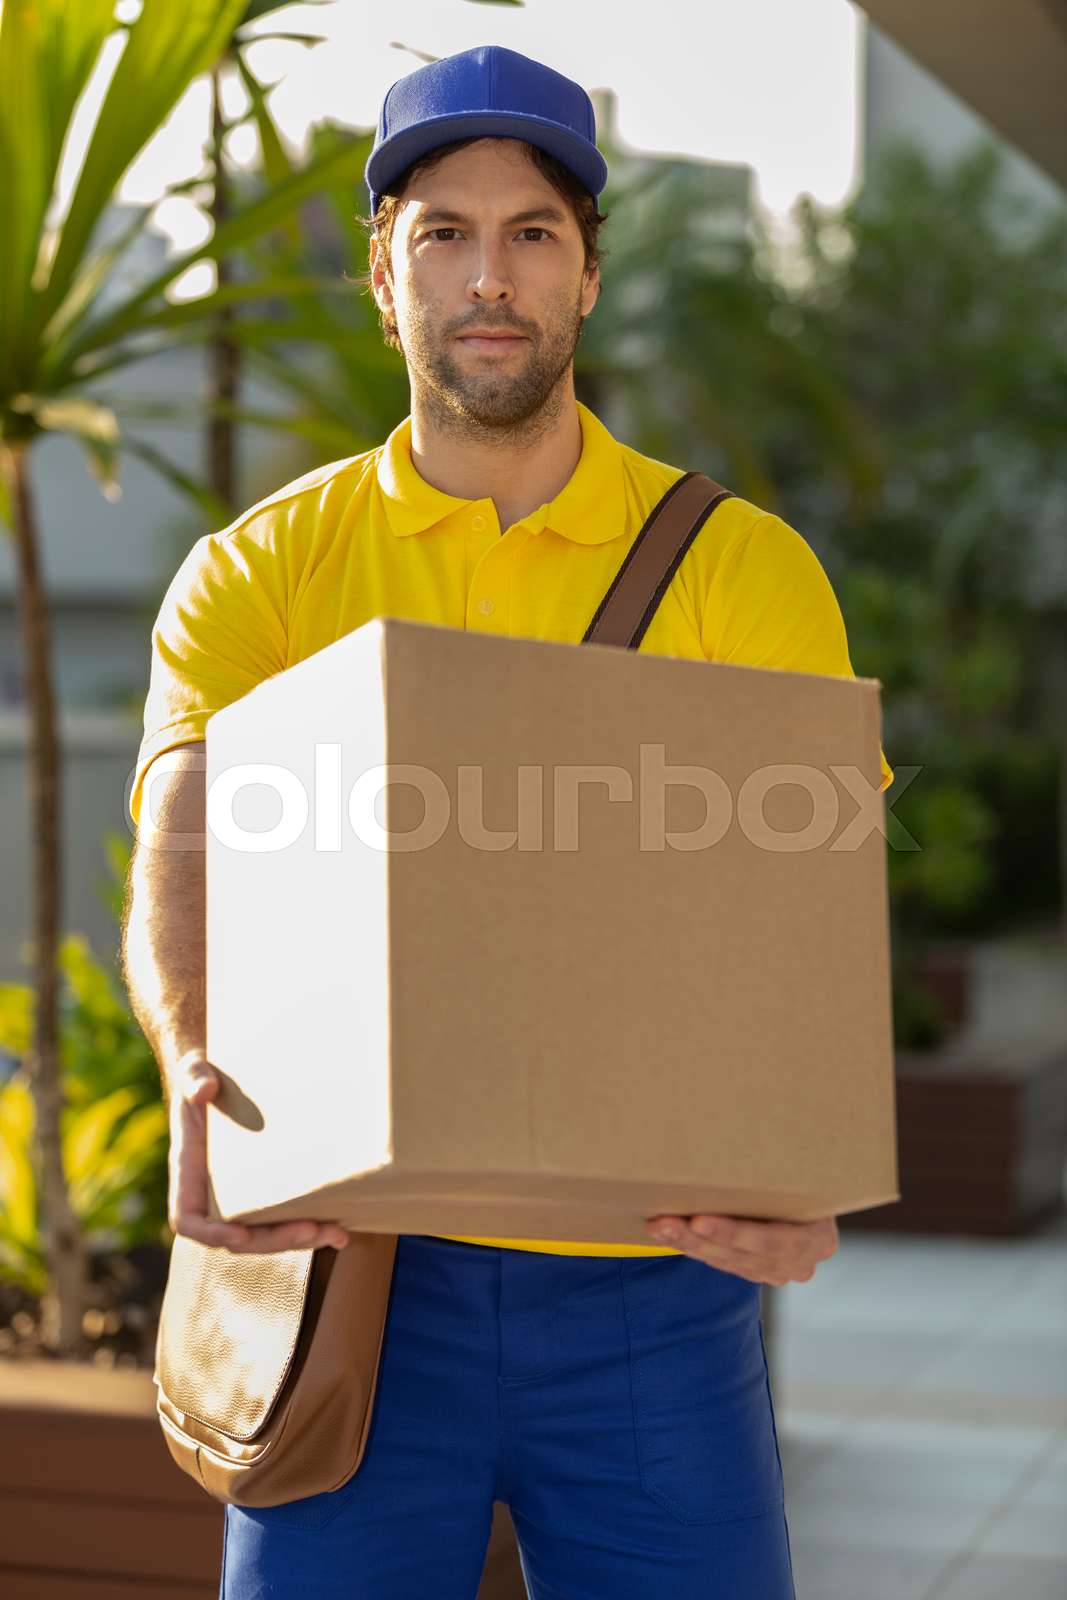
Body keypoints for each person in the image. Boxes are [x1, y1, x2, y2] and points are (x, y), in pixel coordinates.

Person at [121, 43, 893, 1600]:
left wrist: (806, 1173)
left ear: (589, 277)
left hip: (650, 1297)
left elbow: (803, 911)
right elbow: (183, 849)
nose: (491, 277)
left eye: (533, 233)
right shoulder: (260, 575)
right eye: (445, 235)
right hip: (348, 1282)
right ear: (383, 280)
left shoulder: (745, 573)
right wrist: (190, 1065)